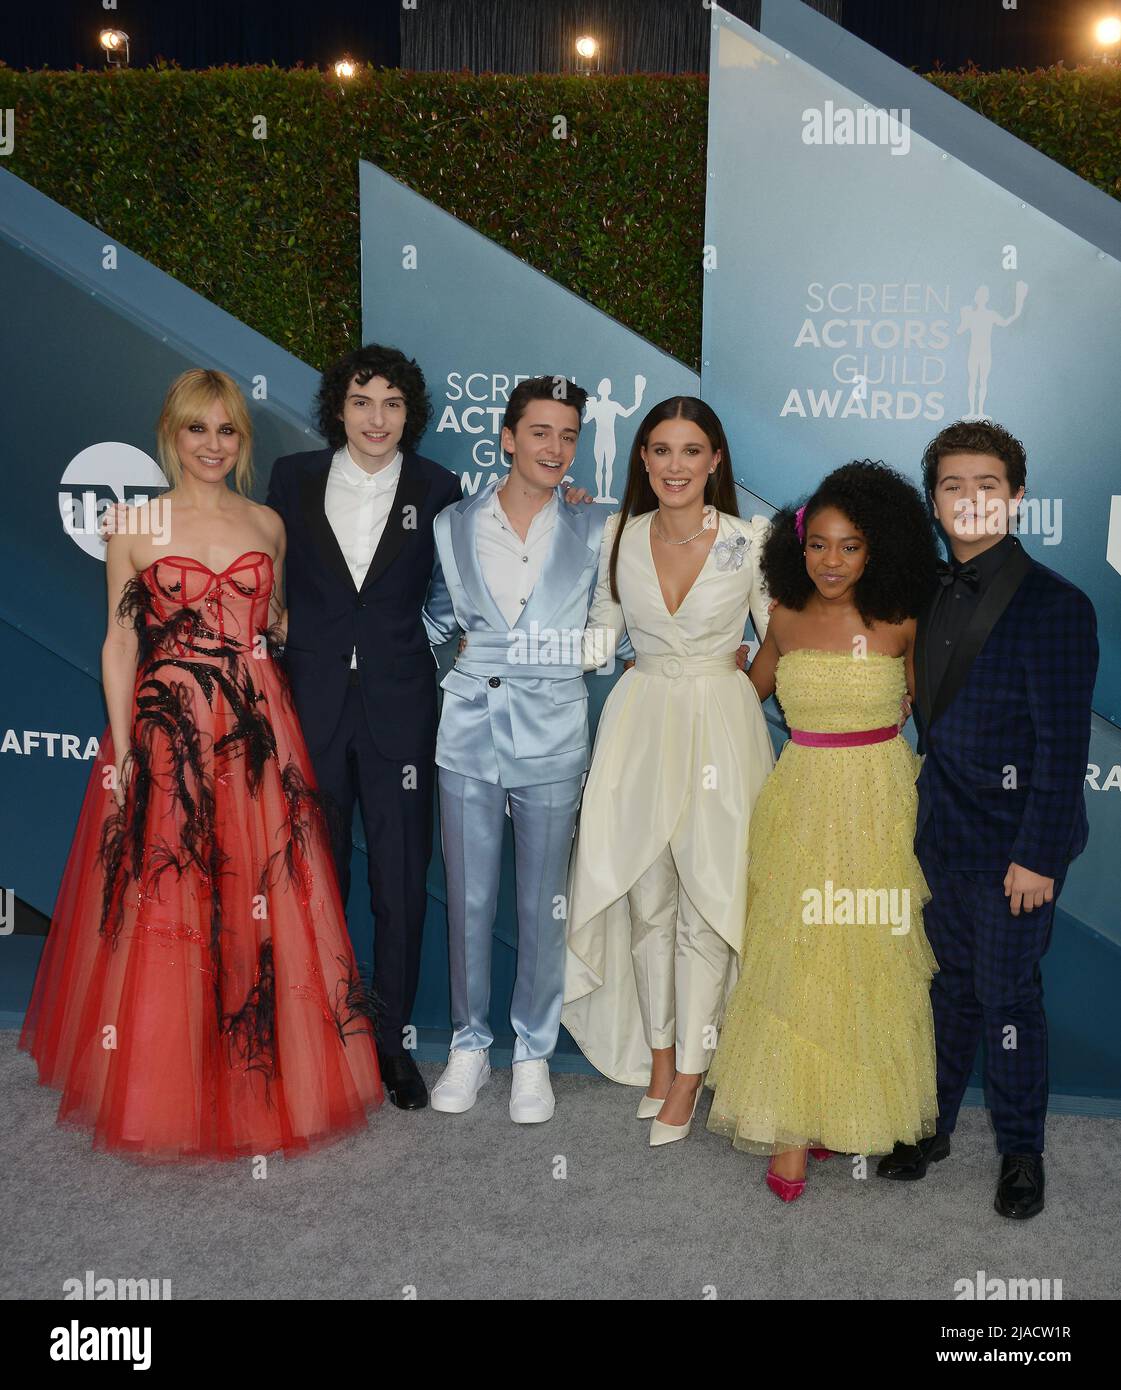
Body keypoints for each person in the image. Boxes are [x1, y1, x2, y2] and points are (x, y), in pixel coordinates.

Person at [19, 369, 383, 1160]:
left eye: (226, 431)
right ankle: (169, 1078)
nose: (212, 445)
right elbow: (119, 642)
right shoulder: (134, 524)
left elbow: (273, 622)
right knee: (170, 897)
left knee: (263, 891)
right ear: (172, 435)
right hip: (166, 727)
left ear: (241, 442)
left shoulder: (267, 523)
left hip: (255, 730)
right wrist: (119, 752)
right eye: (197, 429)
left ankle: (256, 1072)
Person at [876, 421, 1098, 1220]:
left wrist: (1037, 854)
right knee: (949, 988)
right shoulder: (921, 590)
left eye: (987, 485)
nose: (970, 500)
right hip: (940, 831)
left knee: (1008, 997)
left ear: (1016, 498)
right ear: (934, 501)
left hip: (1016, 844)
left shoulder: (1055, 606)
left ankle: (1019, 1154)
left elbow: (1063, 746)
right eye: (952, 486)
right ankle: (930, 1127)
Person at [706, 461, 941, 1201]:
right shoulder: (781, 615)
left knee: (865, 957)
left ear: (876, 550)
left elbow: (935, 715)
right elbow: (745, 701)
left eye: (848, 547)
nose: (831, 562)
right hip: (800, 801)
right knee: (798, 955)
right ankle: (789, 1129)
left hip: (877, 800)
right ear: (796, 549)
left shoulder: (902, 621)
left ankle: (847, 1111)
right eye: (818, 546)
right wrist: (706, 672)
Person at [562, 397, 774, 1147]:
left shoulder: (750, 542)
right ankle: (657, 1059)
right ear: (641, 460)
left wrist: (735, 689)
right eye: (660, 450)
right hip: (640, 722)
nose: (674, 465)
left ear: (714, 459)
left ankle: (693, 1071)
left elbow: (778, 640)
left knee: (709, 903)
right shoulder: (617, 533)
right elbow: (598, 638)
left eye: (690, 451)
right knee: (646, 900)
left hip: (721, 728)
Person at [265, 345, 461, 1110]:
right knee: (315, 877)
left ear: (409, 415)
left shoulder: (438, 488)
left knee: (401, 885)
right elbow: (265, 569)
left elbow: (468, 576)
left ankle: (391, 1044)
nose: (375, 418)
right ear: (336, 410)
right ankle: (317, 1032)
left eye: (391, 403)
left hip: (401, 708)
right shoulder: (293, 478)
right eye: (360, 401)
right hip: (309, 702)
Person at [421, 376, 620, 1123]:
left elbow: (613, 626)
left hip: (552, 731)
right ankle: (470, 1047)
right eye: (540, 432)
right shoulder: (449, 523)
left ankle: (531, 1051)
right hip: (467, 728)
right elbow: (438, 618)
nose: (555, 448)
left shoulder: (599, 524)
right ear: (507, 438)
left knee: (544, 904)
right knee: (469, 900)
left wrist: (559, 652)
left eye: (568, 435)